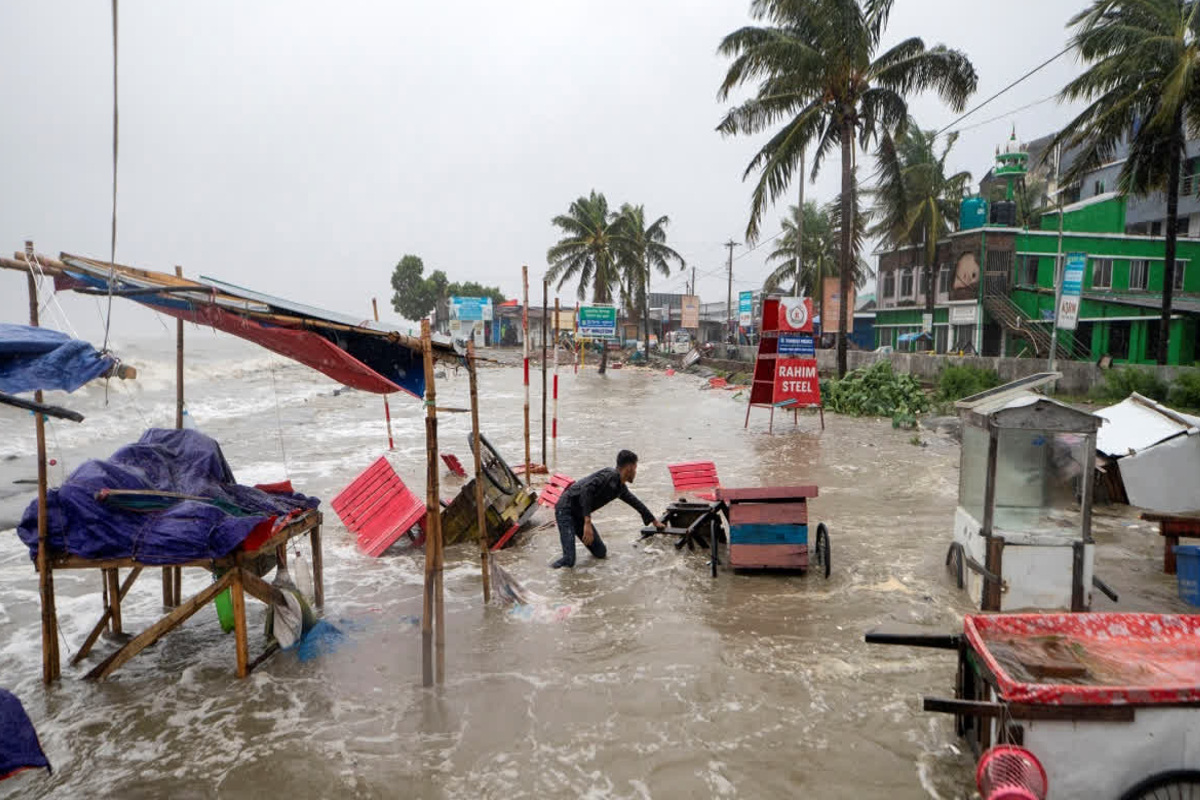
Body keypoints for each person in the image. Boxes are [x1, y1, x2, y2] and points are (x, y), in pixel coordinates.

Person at [552, 449, 663, 569]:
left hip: (579, 513)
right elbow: (586, 490)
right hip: (566, 508)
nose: (635, 472)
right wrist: (587, 522)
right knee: (569, 560)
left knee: (601, 553)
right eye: (635, 468)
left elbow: (636, 503)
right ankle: (548, 571)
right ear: (630, 467)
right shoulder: (609, 475)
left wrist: (654, 522)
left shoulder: (620, 487)